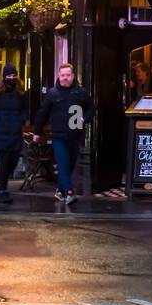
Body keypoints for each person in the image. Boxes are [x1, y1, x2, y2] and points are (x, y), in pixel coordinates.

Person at [33, 62, 94, 205]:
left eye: (67, 75)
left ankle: (60, 190)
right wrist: (37, 131)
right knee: (63, 162)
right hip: (58, 135)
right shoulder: (52, 94)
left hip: (75, 134)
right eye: (62, 75)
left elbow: (91, 109)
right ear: (58, 76)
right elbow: (43, 113)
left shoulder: (81, 93)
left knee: (70, 163)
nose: (65, 78)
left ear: (73, 76)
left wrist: (83, 119)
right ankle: (70, 191)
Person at [0, 64, 27, 204]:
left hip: (15, 130)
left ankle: (4, 181)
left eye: (14, 76)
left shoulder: (20, 91)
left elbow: (25, 108)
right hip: (1, 130)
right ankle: (3, 188)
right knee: (4, 160)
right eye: (9, 76)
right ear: (4, 77)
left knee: (14, 159)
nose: (11, 78)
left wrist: (21, 118)